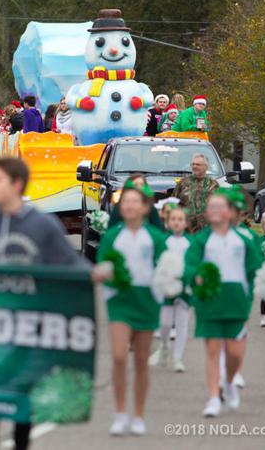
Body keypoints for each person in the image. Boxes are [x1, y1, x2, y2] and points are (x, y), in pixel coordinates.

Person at [0, 157, 95, 450]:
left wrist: (95, 275)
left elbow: (70, 263)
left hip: (30, 328)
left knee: (23, 400)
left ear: (17, 185)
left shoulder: (43, 224)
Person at [184, 191, 263, 418]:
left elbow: (255, 265)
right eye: (212, 207)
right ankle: (212, 398)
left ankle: (229, 382)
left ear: (229, 211)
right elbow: (189, 264)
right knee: (212, 350)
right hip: (209, 299)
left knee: (234, 354)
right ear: (207, 213)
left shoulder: (244, 239)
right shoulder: (201, 239)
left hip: (236, 299)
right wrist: (195, 276)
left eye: (221, 207)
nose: (217, 211)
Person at [98, 180, 167, 436]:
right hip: (120, 301)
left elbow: (167, 266)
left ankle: (137, 415)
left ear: (145, 207)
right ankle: (119, 413)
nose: (129, 206)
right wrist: (100, 274)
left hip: (147, 301)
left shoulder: (156, 237)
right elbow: (103, 264)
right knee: (118, 355)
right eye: (125, 201)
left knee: (140, 361)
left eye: (134, 202)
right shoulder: (113, 236)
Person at [148, 206, 191, 373]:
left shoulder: (190, 242)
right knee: (165, 323)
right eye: (173, 219)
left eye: (180, 219)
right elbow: (156, 261)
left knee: (182, 323)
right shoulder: (163, 241)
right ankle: (164, 345)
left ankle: (178, 357)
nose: (177, 222)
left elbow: (193, 263)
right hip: (166, 286)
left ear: (186, 223)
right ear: (167, 222)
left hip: (184, 288)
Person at [172, 154, 219, 232]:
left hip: (207, 229)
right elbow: (174, 203)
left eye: (198, 164)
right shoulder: (183, 183)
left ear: (206, 167)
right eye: (193, 164)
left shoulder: (213, 185)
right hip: (186, 228)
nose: (194, 166)